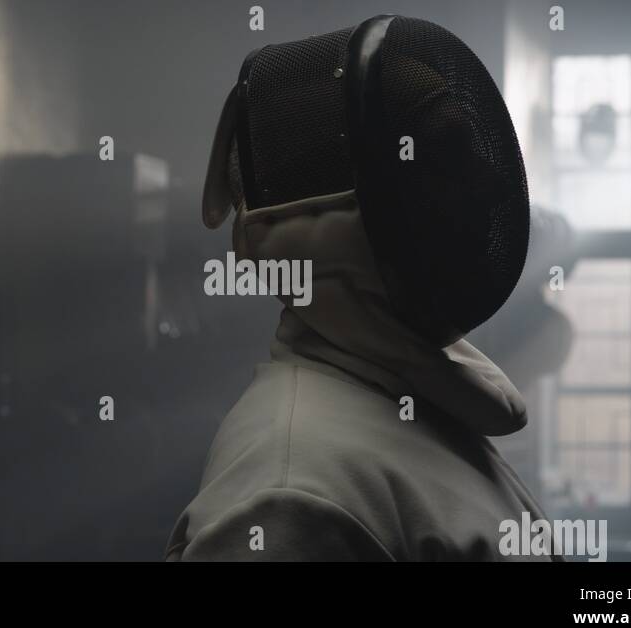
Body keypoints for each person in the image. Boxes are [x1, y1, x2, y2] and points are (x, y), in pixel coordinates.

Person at [166, 15, 557, 561]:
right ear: (337, 214)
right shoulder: (291, 490)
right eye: (444, 156)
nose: (486, 186)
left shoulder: (422, 409)